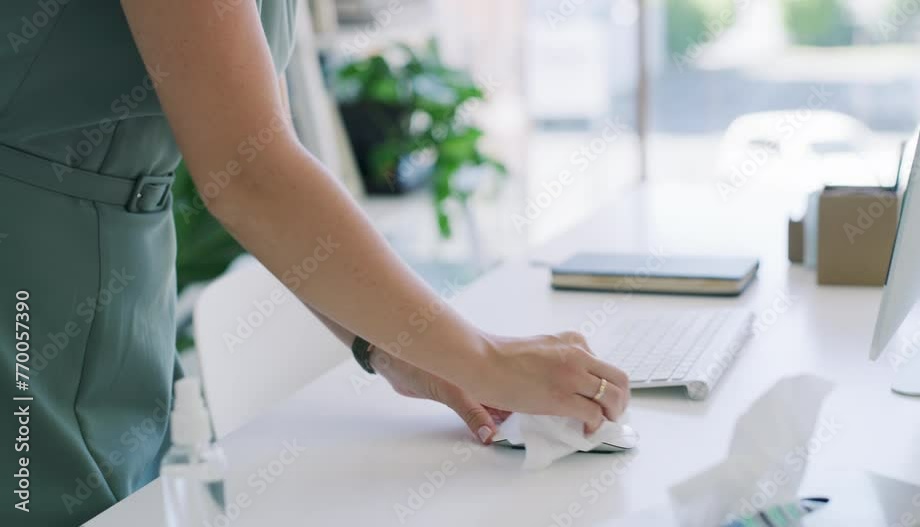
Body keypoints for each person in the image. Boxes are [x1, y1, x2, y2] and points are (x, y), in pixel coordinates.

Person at [0, 1, 630, 525]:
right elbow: (249, 176)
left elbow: (264, 152)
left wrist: (393, 348)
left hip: (122, 266)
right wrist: (484, 359)